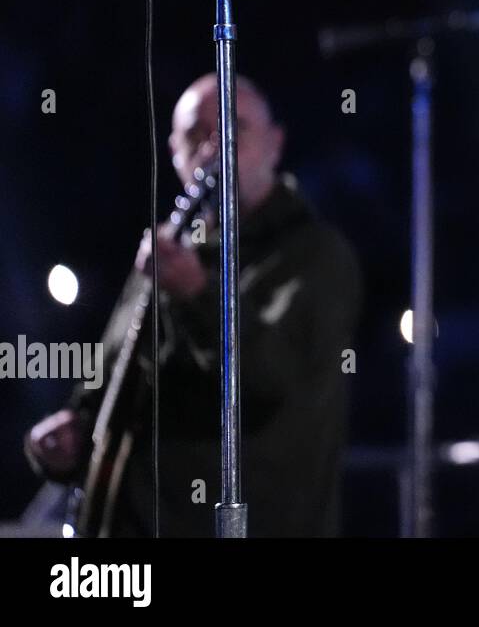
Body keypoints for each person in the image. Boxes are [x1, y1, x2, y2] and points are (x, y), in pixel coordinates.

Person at [25, 73, 362, 536]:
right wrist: (75, 432)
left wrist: (196, 295)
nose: (213, 148)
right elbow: (112, 379)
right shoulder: (169, 250)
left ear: (275, 143)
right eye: (196, 134)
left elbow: (268, 378)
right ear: (174, 152)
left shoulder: (316, 255)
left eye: (234, 128)